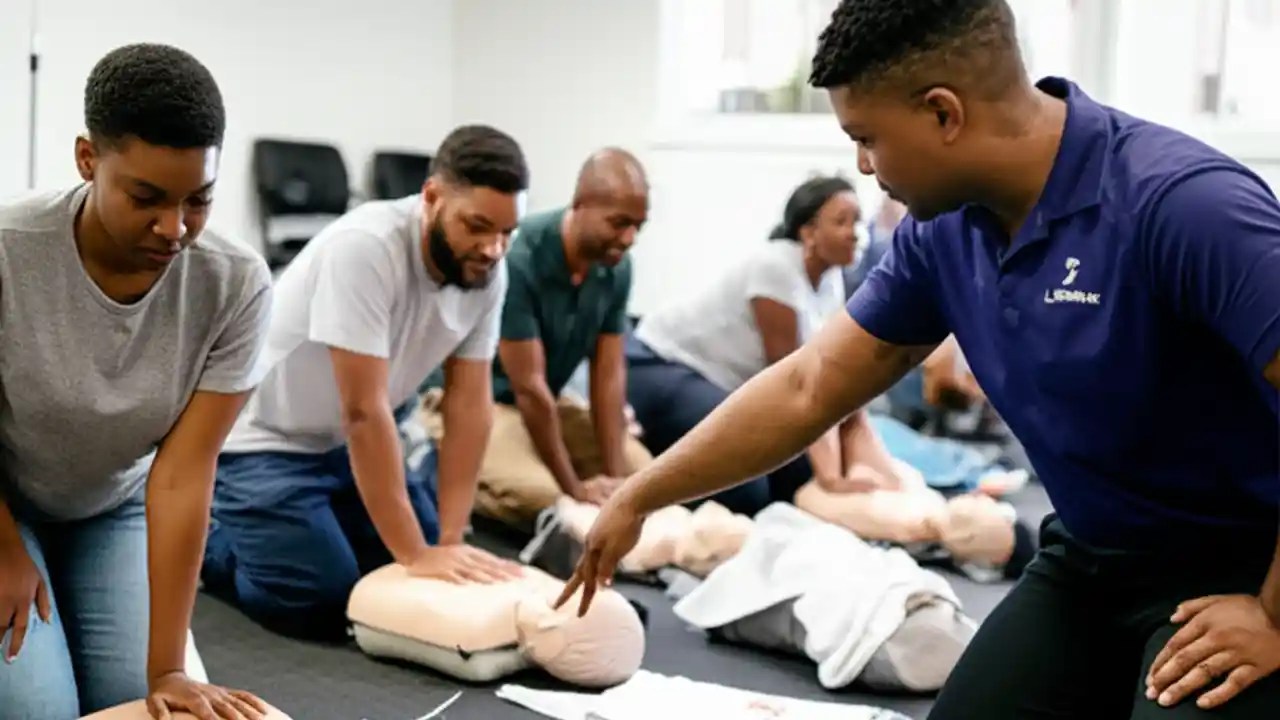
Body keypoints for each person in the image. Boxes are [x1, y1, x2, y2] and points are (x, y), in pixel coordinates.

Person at [559, 2, 1280, 718]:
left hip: (1242, 569)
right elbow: (809, 387)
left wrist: (1274, 618)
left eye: (867, 137)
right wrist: (640, 494)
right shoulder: (944, 234)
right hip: (1092, 556)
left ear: (944, 113)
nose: (863, 166)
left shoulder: (1181, 206)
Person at [0, 44, 272, 719]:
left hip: (112, 506)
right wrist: (4, 548)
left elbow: (183, 475)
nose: (175, 229)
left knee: (145, 705)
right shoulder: (9, 250)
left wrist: (169, 668)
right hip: (6, 498)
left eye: (198, 201)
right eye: (146, 198)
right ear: (88, 160)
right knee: (39, 710)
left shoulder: (235, 285)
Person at [202, 125, 527, 641]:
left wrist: (446, 538)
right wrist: (417, 555)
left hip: (346, 448)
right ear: (432, 198)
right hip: (265, 443)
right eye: (478, 226)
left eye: (507, 233)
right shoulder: (366, 247)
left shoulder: (486, 268)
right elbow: (362, 410)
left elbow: (470, 404)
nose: (493, 248)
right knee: (323, 598)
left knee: (399, 573)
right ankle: (206, 536)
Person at [627, 176, 904, 516]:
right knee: (747, 489)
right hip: (658, 365)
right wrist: (832, 478)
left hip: (718, 381)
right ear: (808, 233)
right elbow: (799, 386)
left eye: (858, 221)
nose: (855, 233)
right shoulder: (775, 268)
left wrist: (885, 477)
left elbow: (836, 383)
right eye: (841, 222)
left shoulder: (830, 278)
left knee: (797, 470)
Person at [473, 148, 652, 529]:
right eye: (619, 223)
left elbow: (607, 376)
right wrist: (573, 487)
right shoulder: (520, 260)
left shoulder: (616, 269)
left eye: (639, 225)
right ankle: (456, 474)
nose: (630, 238)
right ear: (580, 205)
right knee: (546, 497)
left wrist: (616, 481)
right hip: (487, 402)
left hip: (550, 403)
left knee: (650, 480)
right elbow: (529, 389)